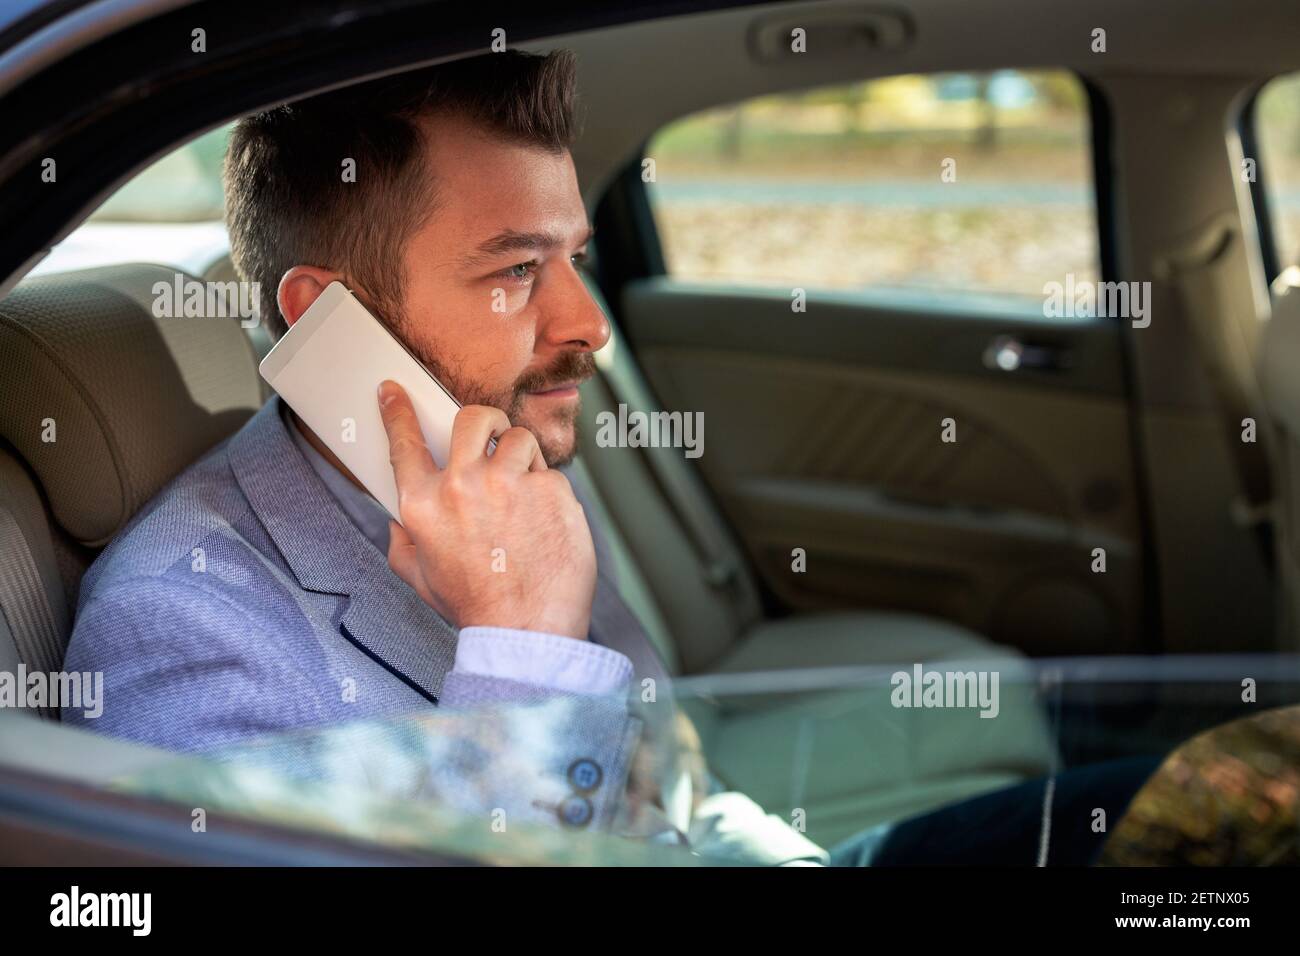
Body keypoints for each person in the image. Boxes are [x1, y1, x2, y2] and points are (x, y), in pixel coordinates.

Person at [61, 49, 1157, 865]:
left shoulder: (501, 471)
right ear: (330, 321)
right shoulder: (182, 632)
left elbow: (653, 777)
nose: (586, 322)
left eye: (573, 259)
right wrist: (523, 645)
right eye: (515, 270)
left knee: (1211, 802)